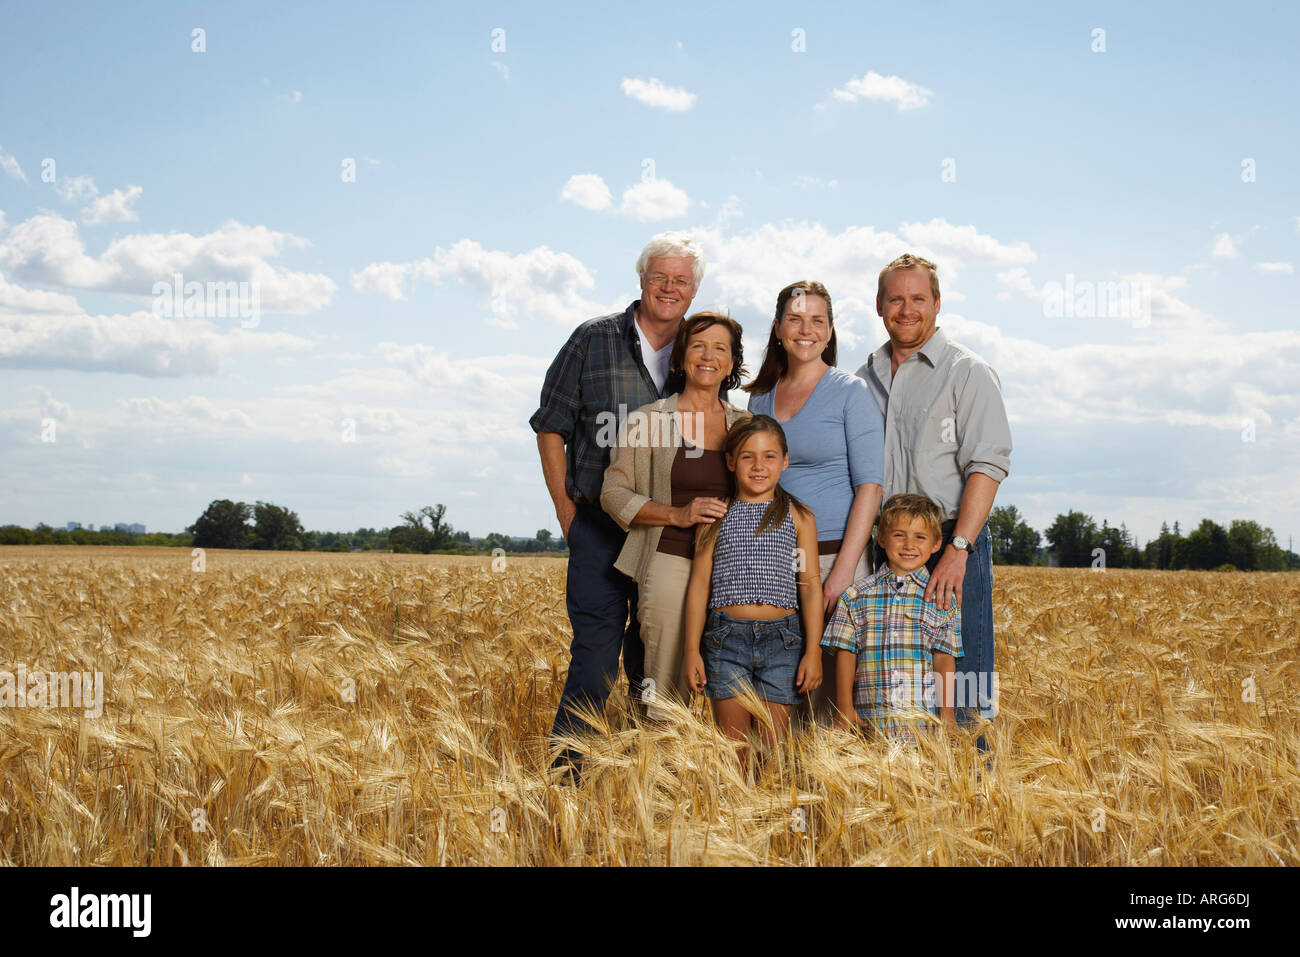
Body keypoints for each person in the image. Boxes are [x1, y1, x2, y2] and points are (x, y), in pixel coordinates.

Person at [530, 231, 705, 778]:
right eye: (660, 278)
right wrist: (566, 512)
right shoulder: (592, 339)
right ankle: (568, 776)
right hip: (600, 526)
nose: (670, 289)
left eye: (681, 281)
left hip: (669, 534)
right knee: (597, 654)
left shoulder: (698, 350)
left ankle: (640, 777)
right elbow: (550, 427)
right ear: (642, 280)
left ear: (694, 289)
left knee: (653, 658)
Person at [854, 253, 1012, 751]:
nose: (906, 310)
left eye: (918, 298)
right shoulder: (863, 377)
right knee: (890, 681)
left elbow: (987, 464)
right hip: (885, 548)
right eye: (895, 299)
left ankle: (973, 786)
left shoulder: (968, 372)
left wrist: (959, 549)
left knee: (963, 680)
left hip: (950, 543)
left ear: (937, 303)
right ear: (879, 305)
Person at [744, 280, 883, 723]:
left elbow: (870, 487)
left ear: (830, 330)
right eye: (795, 319)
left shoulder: (850, 392)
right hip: (774, 558)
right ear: (778, 328)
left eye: (817, 321)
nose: (806, 330)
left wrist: (842, 572)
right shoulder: (760, 396)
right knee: (781, 687)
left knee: (834, 697)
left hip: (833, 557)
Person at [600, 312, 750, 721]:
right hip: (669, 561)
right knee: (666, 696)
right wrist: (677, 514)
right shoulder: (648, 420)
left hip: (736, 569)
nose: (708, 356)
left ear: (732, 362)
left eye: (720, 348)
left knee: (736, 689)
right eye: (698, 346)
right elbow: (613, 492)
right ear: (681, 357)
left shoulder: (746, 426)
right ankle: (662, 760)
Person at [682, 415, 824, 750]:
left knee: (770, 752)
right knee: (736, 751)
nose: (759, 466)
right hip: (726, 641)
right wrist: (691, 650)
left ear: (784, 461)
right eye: (748, 456)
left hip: (783, 643)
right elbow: (699, 586)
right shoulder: (716, 516)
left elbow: (809, 584)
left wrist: (813, 651)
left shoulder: (799, 516)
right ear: (731, 462)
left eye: (769, 456)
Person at [821, 494, 962, 742]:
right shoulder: (855, 596)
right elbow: (846, 653)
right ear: (882, 539)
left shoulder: (942, 600)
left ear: (936, 544)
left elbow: (944, 659)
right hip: (870, 726)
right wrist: (844, 709)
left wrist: (947, 715)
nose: (909, 545)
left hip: (922, 729)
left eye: (920, 537)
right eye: (899, 535)